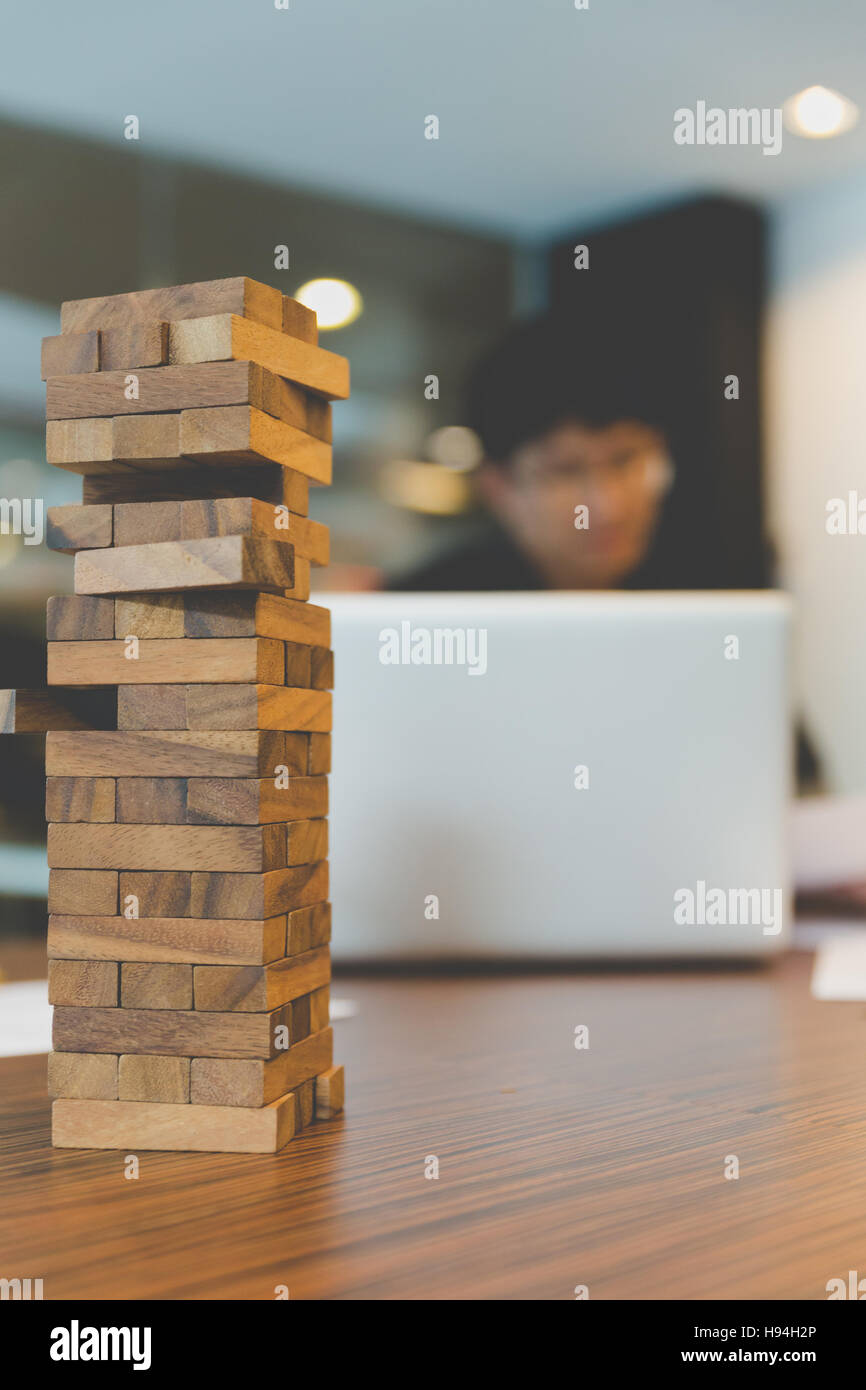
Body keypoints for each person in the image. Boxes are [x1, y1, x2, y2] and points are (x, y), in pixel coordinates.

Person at [390, 315, 704, 593]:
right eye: (565, 471)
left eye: (624, 461)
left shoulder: (712, 592)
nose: (609, 506)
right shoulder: (430, 612)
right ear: (496, 486)